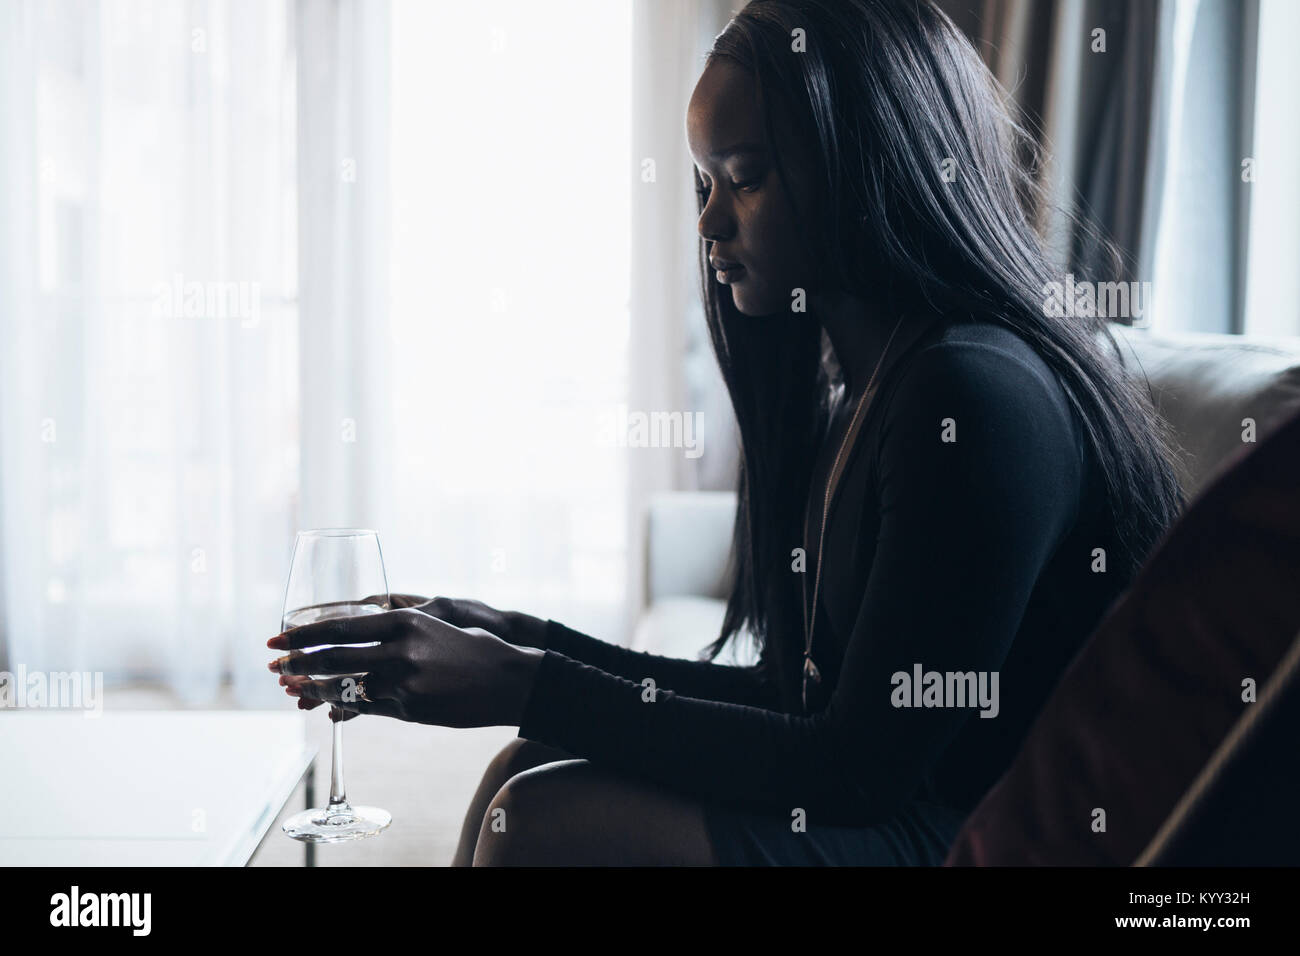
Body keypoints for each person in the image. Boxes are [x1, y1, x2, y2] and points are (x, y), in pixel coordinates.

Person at [268, 0, 1184, 866]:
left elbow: (857, 768)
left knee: (544, 817)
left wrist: (521, 682)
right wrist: (522, 644)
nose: (708, 221)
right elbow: (795, 698)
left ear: (865, 165)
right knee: (526, 768)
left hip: (1003, 840)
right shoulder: (867, 386)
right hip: (912, 807)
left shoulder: (970, 397)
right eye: (705, 183)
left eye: (743, 178)